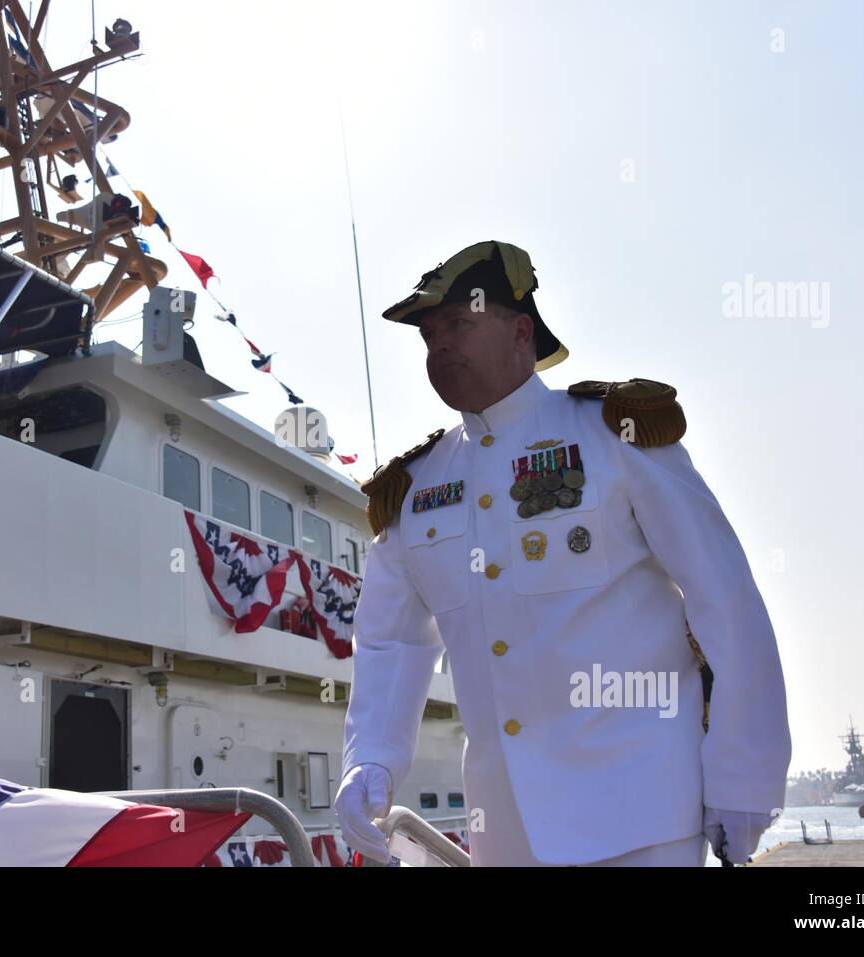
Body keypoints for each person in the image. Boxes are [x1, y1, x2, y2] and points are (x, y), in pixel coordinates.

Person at [334, 240, 791, 866]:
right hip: (506, 834)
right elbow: (391, 641)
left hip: (642, 819)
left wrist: (745, 778)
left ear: (521, 331)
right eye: (430, 334)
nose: (439, 345)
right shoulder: (415, 488)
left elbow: (724, 597)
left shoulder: (614, 434)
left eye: (460, 324)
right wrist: (371, 760)